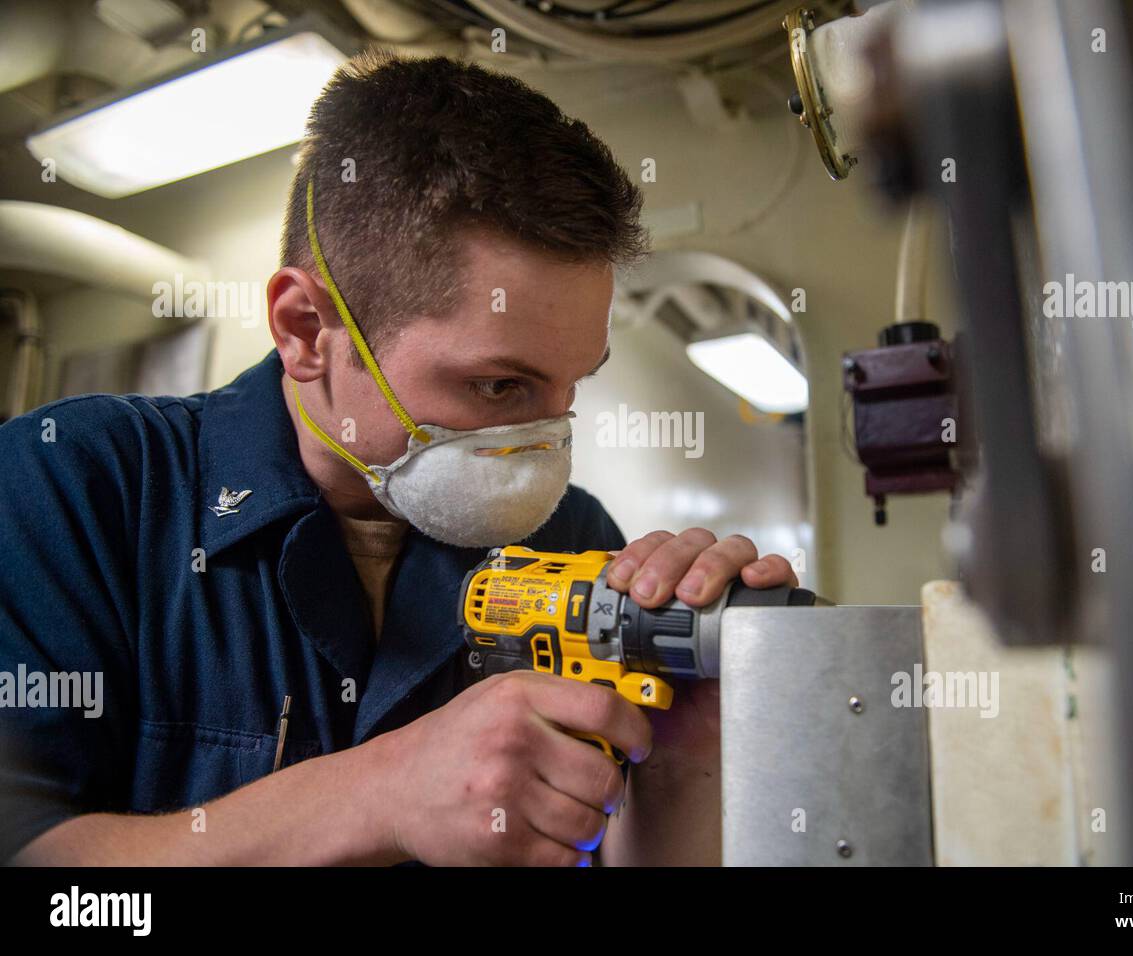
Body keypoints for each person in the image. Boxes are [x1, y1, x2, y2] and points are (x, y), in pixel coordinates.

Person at [0, 52, 798, 865]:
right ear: (306, 330)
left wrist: (681, 758)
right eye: (497, 385)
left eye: (571, 390)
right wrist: (382, 791)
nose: (545, 446)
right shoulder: (80, 490)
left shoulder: (572, 540)